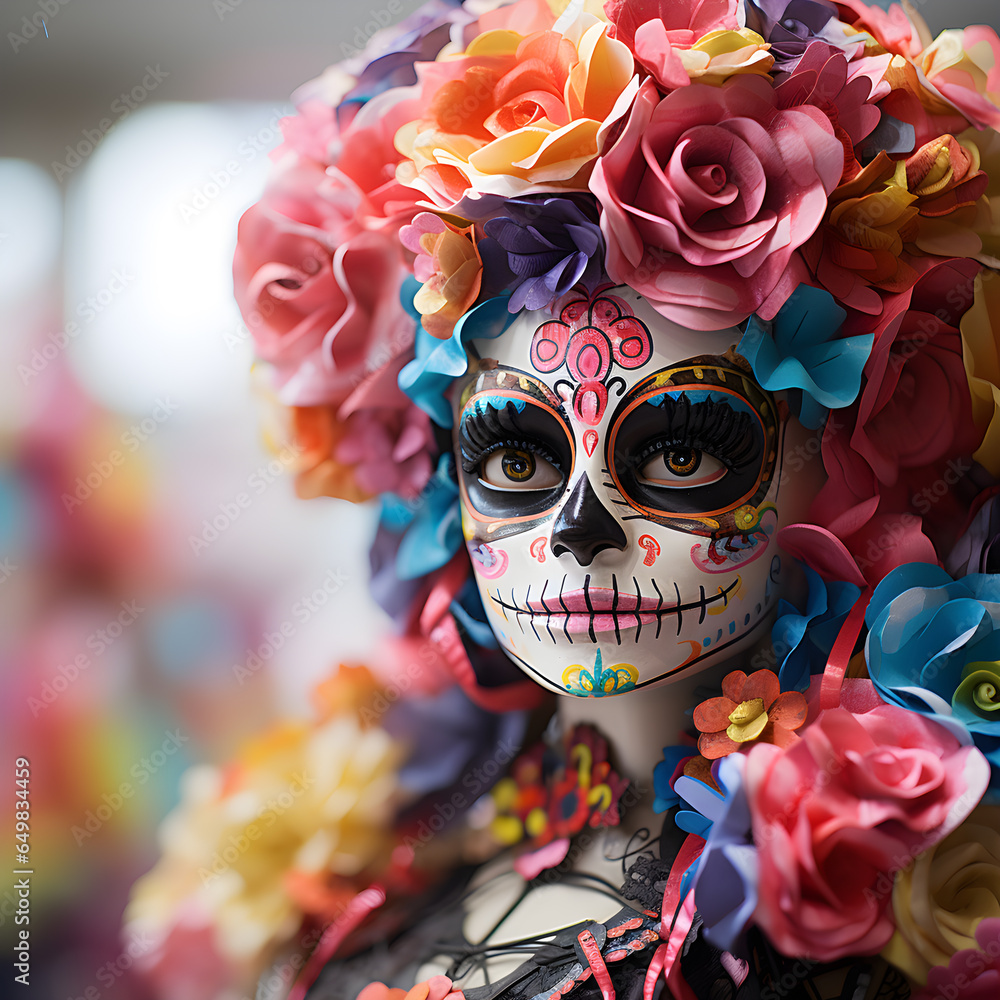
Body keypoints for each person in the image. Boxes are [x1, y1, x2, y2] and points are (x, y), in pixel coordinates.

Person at [129, 0, 1000, 997]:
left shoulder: (867, 923)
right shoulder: (383, 863)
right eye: (514, 457)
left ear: (857, 446)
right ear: (442, 477)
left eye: (681, 451)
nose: (579, 532)